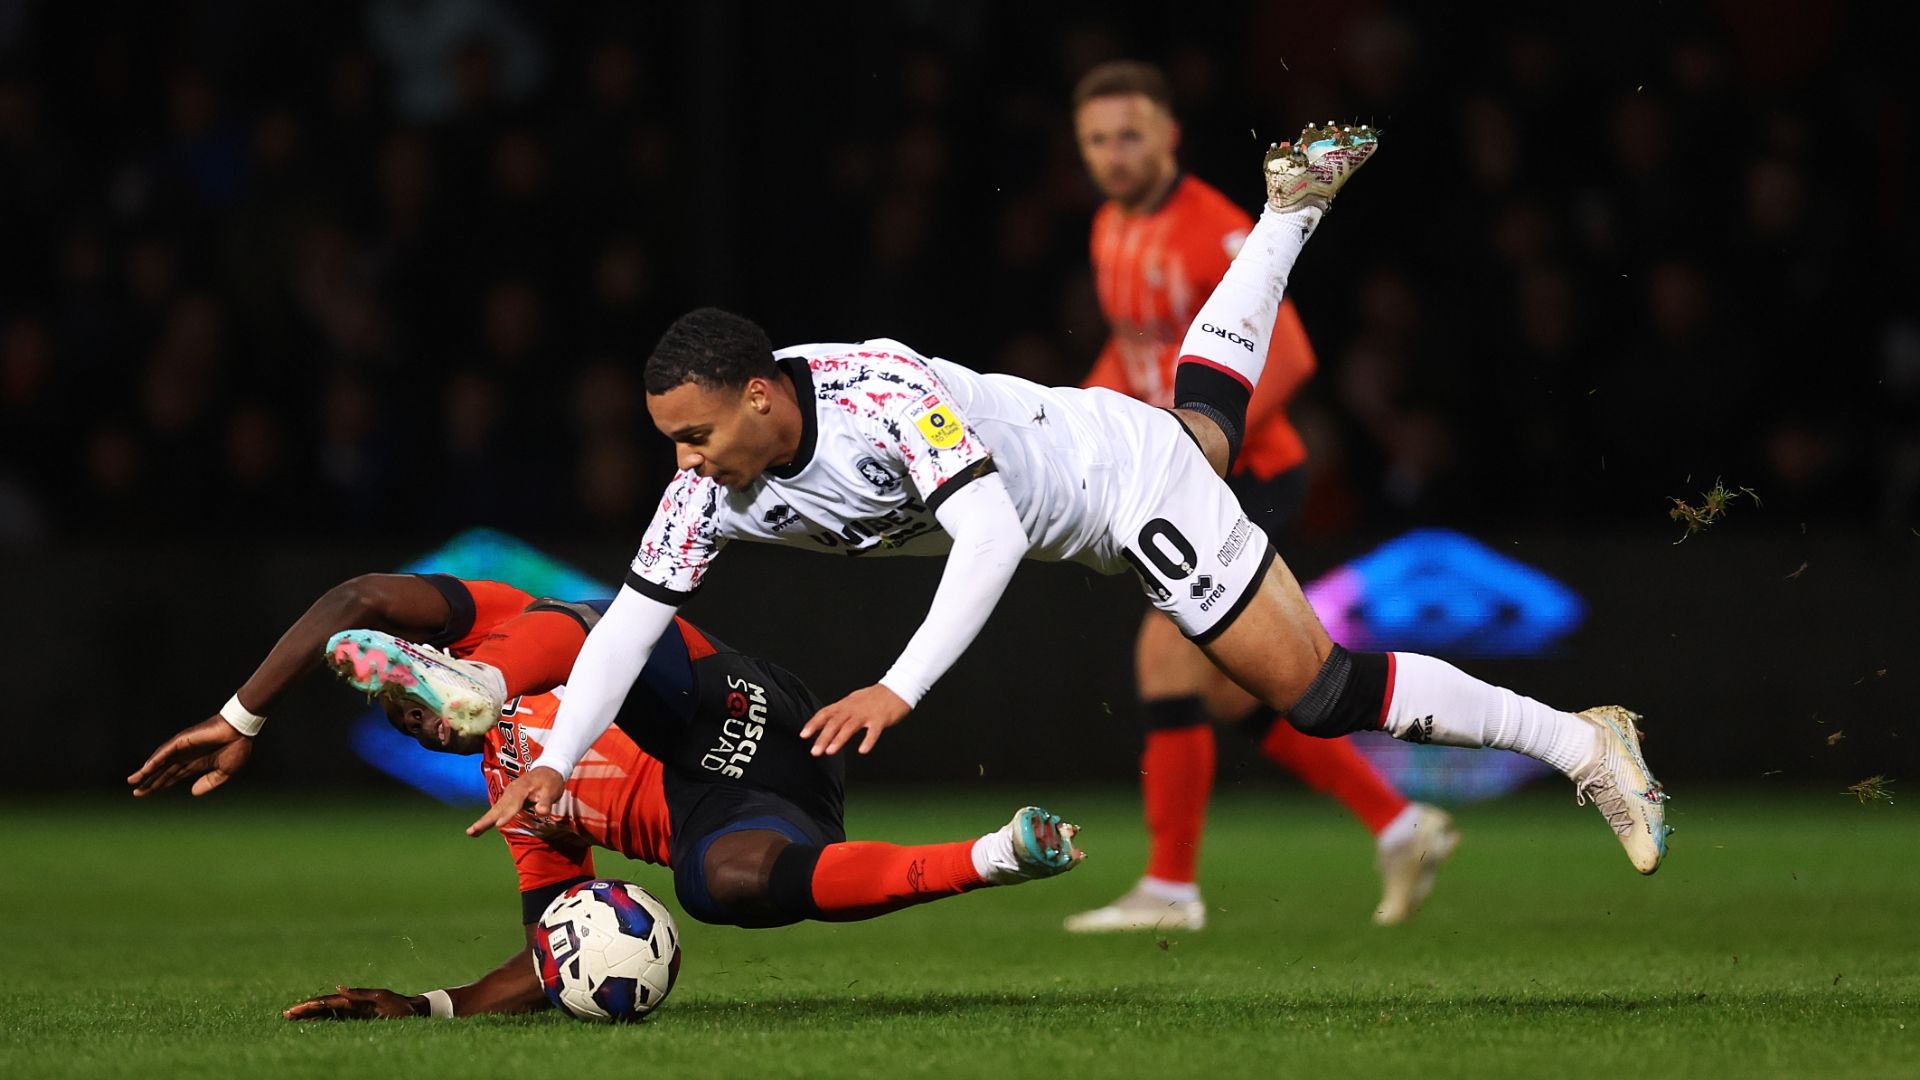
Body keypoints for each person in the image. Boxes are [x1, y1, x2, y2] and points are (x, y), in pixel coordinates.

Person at [471, 127, 1670, 894]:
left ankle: (1584, 743)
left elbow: (990, 534)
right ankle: (1292, 216)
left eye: (695, 433)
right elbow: (630, 616)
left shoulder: (880, 390)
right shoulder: (710, 484)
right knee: (1200, 430)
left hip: (1115, 494)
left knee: (1316, 692)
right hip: (1088, 437)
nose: (682, 462)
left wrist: (899, 685)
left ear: (765, 397)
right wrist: (559, 761)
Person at [128, 572, 1082, 1020]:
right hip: (762, 806)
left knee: (602, 625)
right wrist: (429, 1007)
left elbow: (359, 598)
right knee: (718, 885)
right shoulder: (511, 794)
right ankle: (999, 855)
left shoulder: (499, 620)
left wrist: (244, 716)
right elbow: (556, 943)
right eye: (404, 718)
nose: (406, 719)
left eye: (407, 695)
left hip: (719, 698)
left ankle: (491, 685)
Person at [1066, 60, 1453, 932]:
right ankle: (1401, 822)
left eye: (1131, 135)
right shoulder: (1107, 228)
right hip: (1180, 466)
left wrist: (1199, 440)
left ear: (1170, 135)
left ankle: (1170, 891)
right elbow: (1129, 363)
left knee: (1167, 657)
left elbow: (1293, 355)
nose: (1114, 154)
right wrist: (1069, 426)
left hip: (1252, 467)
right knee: (1241, 684)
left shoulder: (1212, 228)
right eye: (1098, 140)